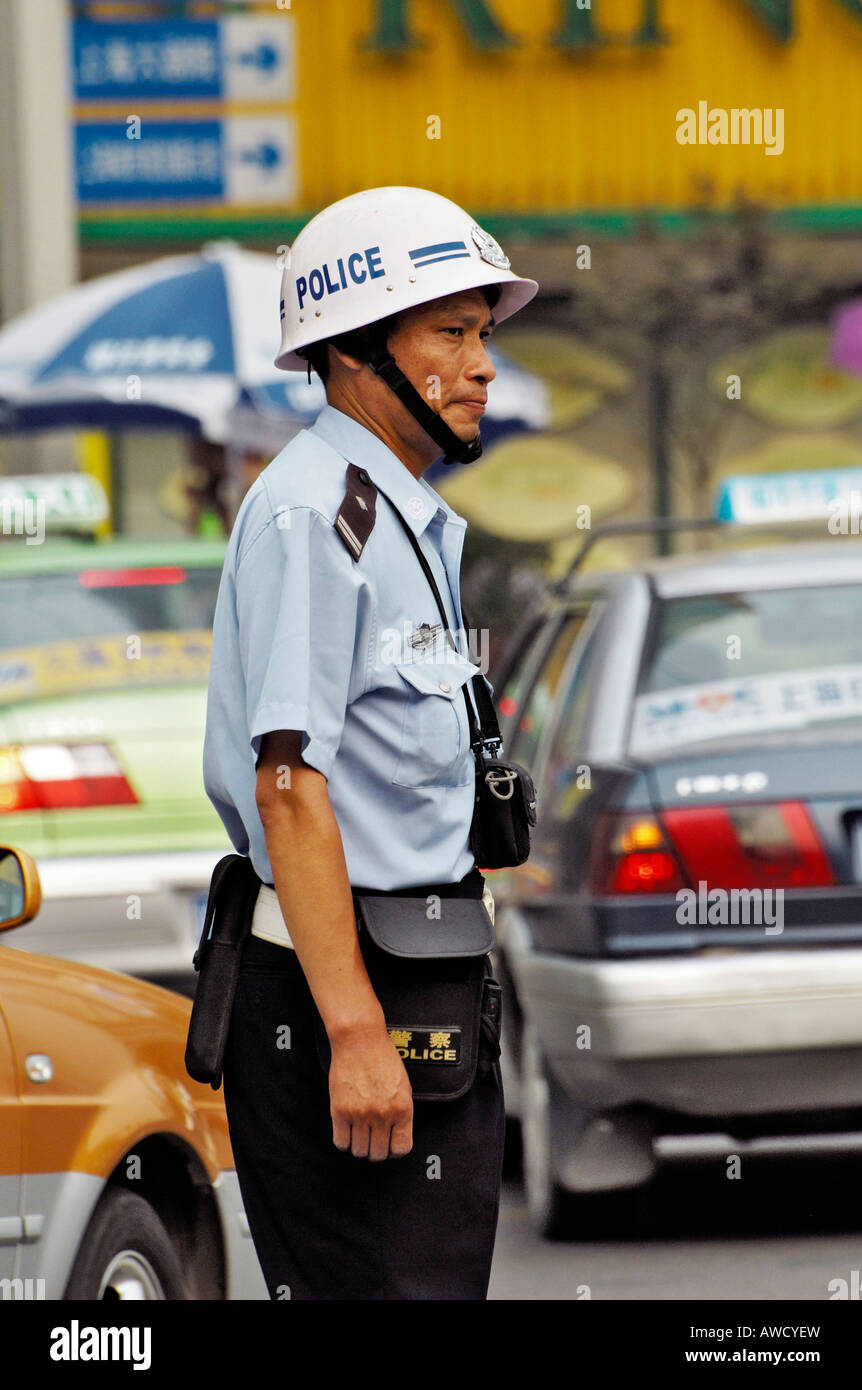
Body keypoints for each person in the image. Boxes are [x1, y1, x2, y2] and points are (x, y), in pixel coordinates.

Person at [202, 186, 538, 1300]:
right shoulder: (315, 514)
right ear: (354, 352)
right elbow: (291, 788)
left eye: (484, 332)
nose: (482, 363)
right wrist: (353, 1034)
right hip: (341, 994)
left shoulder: (395, 512)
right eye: (451, 331)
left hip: (417, 977)